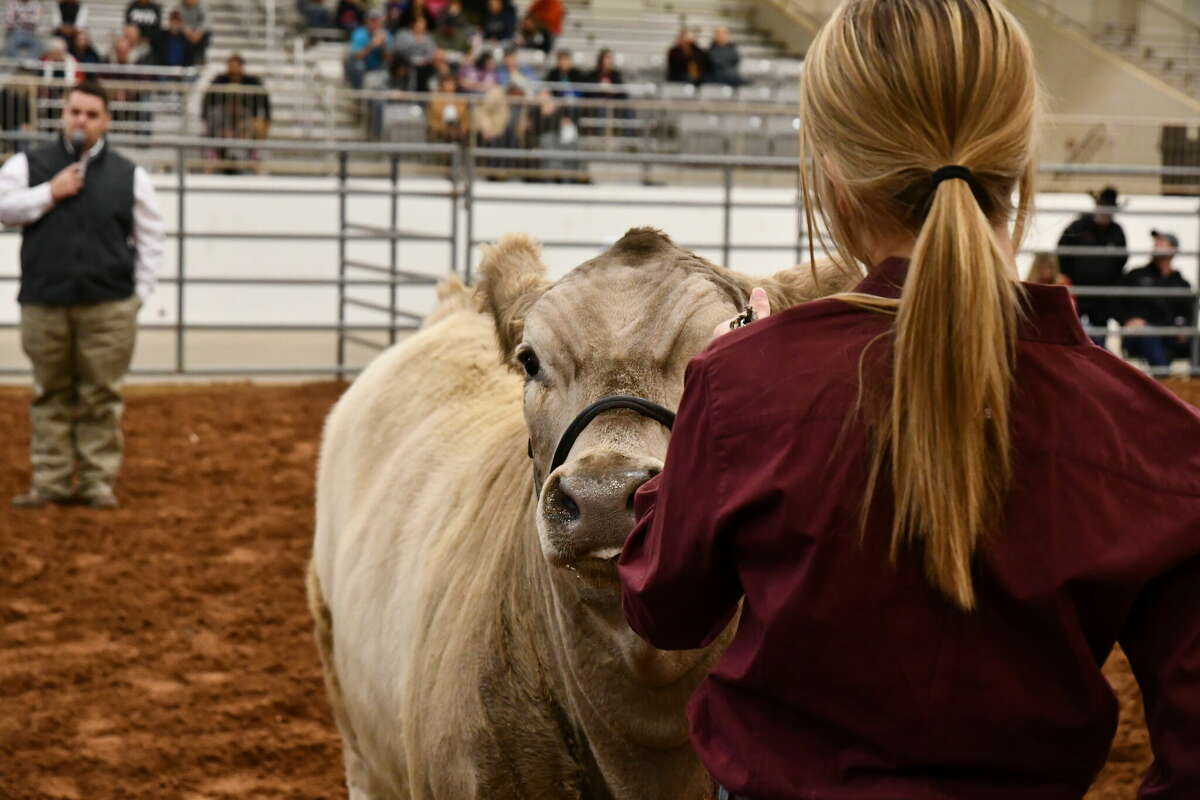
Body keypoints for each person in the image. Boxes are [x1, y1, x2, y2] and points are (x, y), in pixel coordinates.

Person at [618, 1, 1200, 798]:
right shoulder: (1159, 438)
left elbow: (663, 608)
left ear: (831, 182)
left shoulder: (742, 387)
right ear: (1022, 164)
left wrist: (712, 397)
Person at [0, 80, 164, 510]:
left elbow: (151, 239)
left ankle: (96, 481)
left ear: (106, 121)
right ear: (63, 114)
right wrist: (48, 193)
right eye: (75, 112)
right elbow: (3, 208)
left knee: (101, 396)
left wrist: (136, 298)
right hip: (44, 301)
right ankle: (50, 481)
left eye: (91, 115)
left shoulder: (131, 175)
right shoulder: (28, 164)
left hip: (109, 307)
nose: (81, 121)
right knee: (49, 393)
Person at [1057, 186, 1128, 345]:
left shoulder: (1116, 232)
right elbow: (1062, 250)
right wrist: (1067, 276)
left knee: (1099, 339)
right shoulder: (1078, 226)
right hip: (1077, 290)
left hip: (1102, 296)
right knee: (1071, 332)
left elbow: (1122, 259)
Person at [1118, 230, 1195, 369]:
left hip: (1170, 335)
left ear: (1173, 250)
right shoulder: (1136, 275)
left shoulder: (1182, 284)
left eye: (1161, 242)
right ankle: (1163, 381)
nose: (1156, 245)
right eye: (1155, 242)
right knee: (1148, 333)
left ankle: (1195, 385)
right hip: (1139, 334)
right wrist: (1127, 320)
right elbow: (1115, 302)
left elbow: (1189, 314)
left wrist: (1185, 328)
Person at [202, 53, 271, 172]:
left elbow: (265, 101)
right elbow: (207, 100)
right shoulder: (219, 80)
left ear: (241, 66)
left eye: (236, 65)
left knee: (258, 128)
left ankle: (254, 159)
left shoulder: (253, 81)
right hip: (223, 119)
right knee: (212, 129)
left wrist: (266, 120)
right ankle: (213, 158)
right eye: (230, 65)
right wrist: (205, 118)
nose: (233, 68)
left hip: (246, 118)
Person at [345, 8, 392, 89]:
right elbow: (358, 56)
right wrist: (371, 45)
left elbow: (389, 59)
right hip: (360, 71)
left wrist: (383, 46)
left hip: (378, 70)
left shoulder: (386, 35)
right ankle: (358, 95)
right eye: (372, 20)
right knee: (358, 66)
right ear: (366, 20)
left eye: (377, 20)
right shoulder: (359, 33)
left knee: (384, 73)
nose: (374, 23)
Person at [426, 73, 467, 142]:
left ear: (455, 85)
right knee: (447, 130)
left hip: (457, 125)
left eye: (451, 83)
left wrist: (463, 127)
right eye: (447, 83)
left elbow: (465, 118)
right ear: (442, 84)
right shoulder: (435, 100)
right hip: (441, 125)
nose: (449, 85)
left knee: (459, 130)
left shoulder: (461, 100)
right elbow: (432, 118)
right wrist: (440, 126)